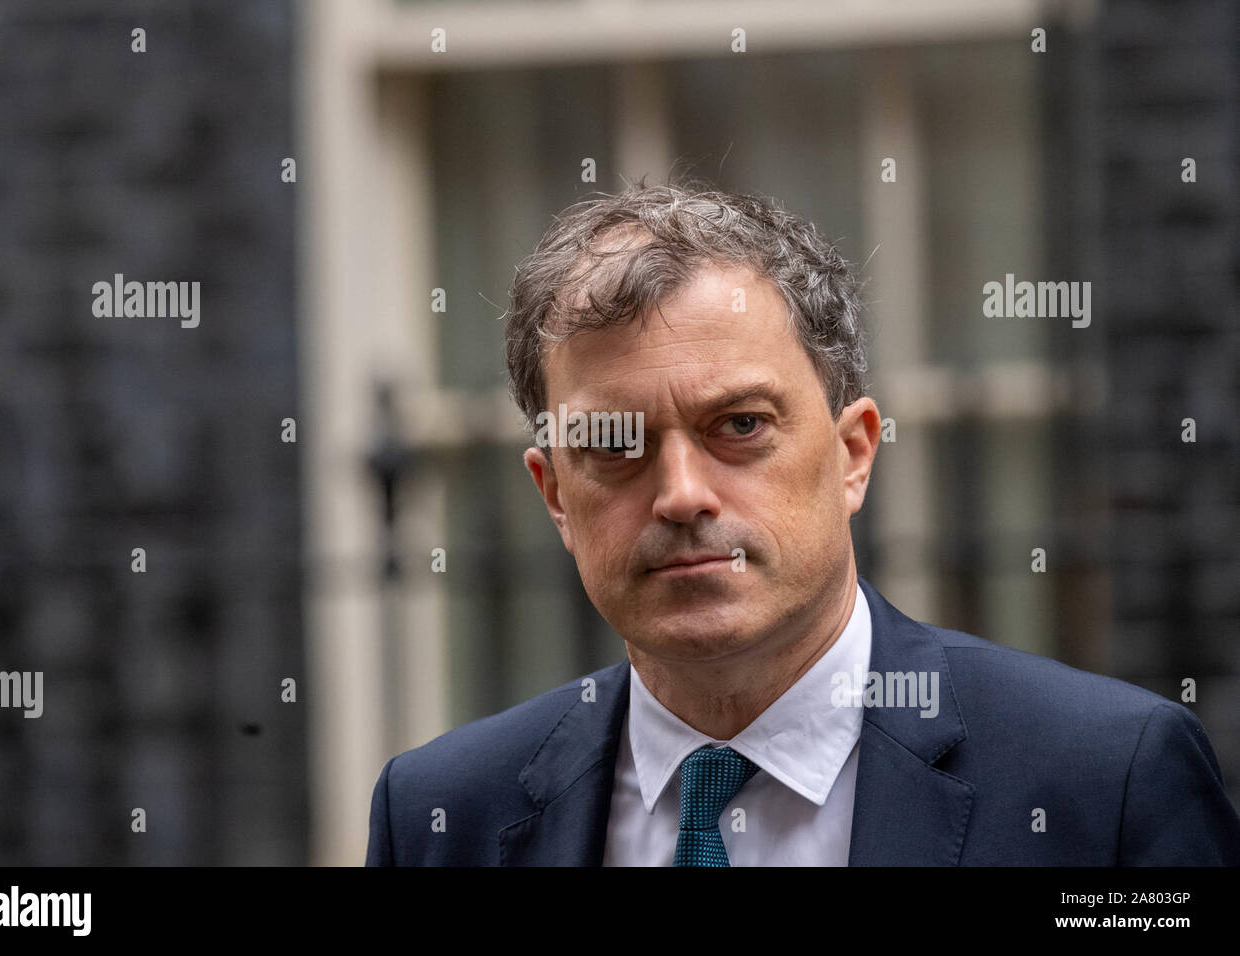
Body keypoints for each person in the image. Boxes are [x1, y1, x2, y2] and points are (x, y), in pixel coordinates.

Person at [365, 179, 1240, 866]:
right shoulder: (442, 817)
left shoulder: (1106, 782)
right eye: (612, 444)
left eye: (740, 425)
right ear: (554, 492)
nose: (680, 494)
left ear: (854, 453)